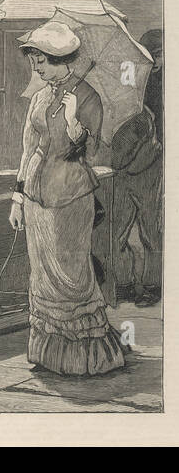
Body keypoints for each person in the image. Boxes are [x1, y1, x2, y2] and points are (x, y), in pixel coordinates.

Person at [8, 21, 125, 376]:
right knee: (41, 273)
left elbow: (88, 152)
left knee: (72, 274)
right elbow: (30, 147)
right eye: (33, 61)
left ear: (62, 58)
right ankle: (49, 353)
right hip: (37, 198)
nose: (37, 67)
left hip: (71, 196)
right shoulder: (41, 96)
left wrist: (74, 120)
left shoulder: (87, 96)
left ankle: (84, 357)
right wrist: (17, 196)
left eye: (41, 60)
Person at [108, 27, 162, 307]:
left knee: (151, 230)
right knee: (118, 230)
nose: (155, 60)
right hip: (126, 165)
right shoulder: (129, 79)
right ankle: (125, 284)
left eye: (158, 55)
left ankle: (153, 286)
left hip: (152, 163)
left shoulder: (164, 82)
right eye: (151, 55)